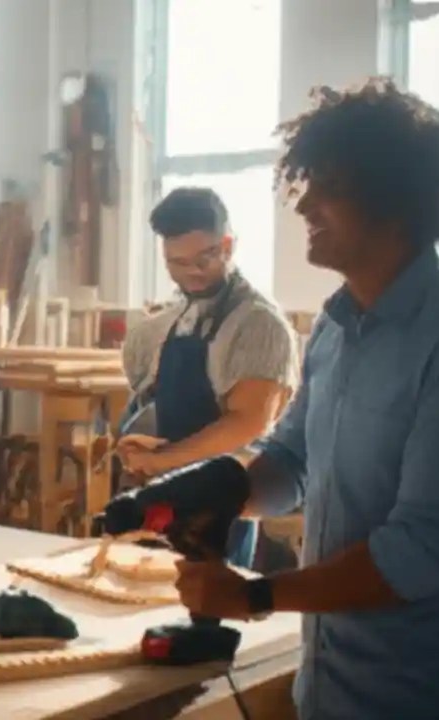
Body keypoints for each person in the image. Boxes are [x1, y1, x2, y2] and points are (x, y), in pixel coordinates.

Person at [173, 79, 439, 718]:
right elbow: (292, 461)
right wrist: (216, 497)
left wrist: (255, 597)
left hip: (412, 695)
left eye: (331, 188)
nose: (306, 206)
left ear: (395, 200)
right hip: (324, 687)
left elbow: (419, 550)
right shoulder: (333, 326)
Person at [117, 187, 298, 568]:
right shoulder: (174, 319)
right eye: (177, 263)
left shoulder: (258, 324)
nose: (192, 274)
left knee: (208, 616)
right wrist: (139, 442)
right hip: (161, 498)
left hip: (217, 503)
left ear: (228, 245)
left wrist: (163, 460)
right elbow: (155, 401)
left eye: (204, 258)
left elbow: (248, 423)